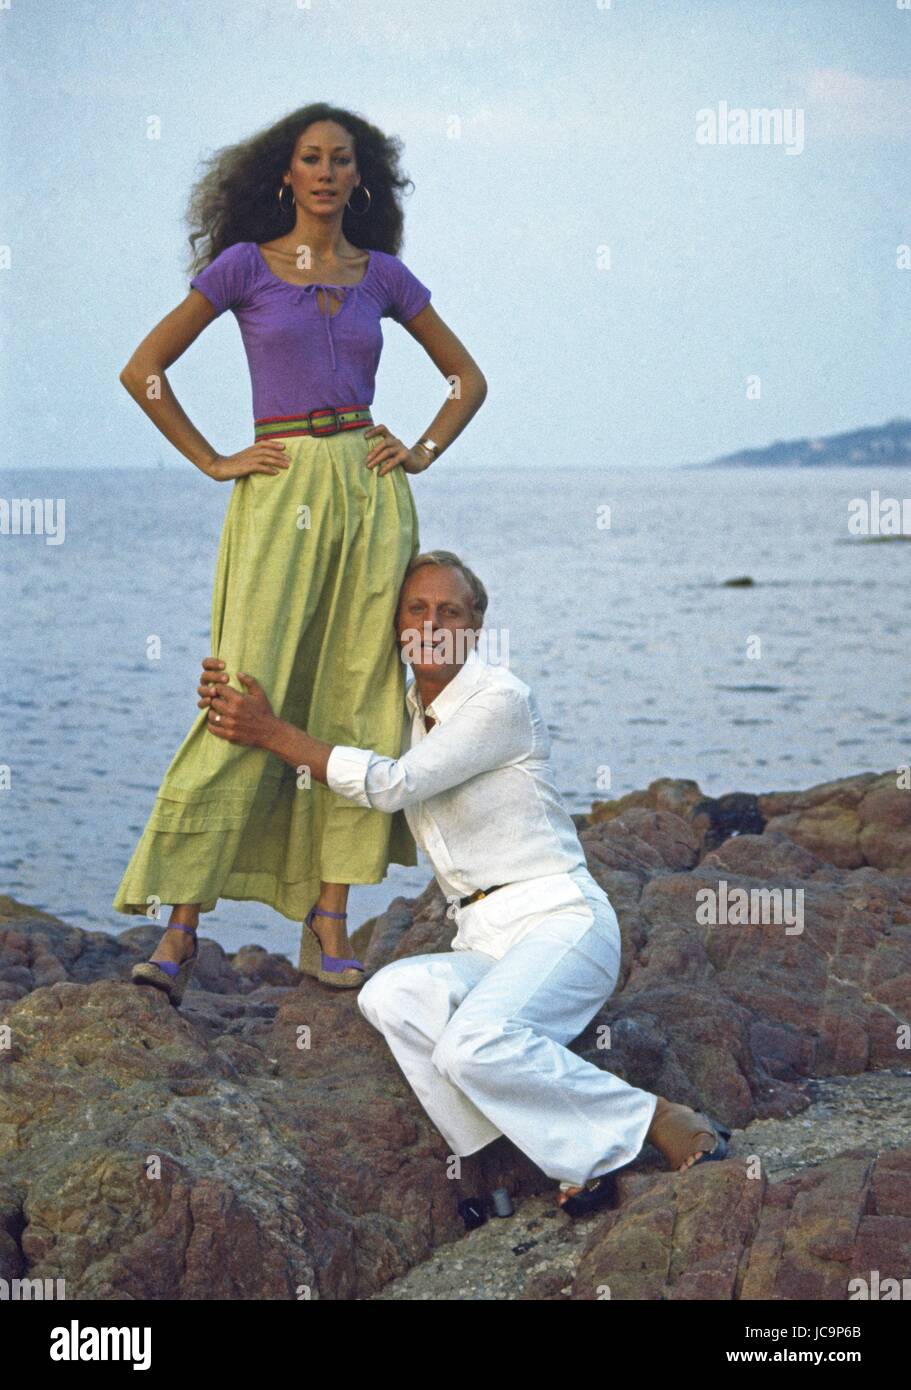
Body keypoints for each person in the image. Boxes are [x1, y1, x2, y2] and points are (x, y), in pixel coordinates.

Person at [191, 550, 732, 1215]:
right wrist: (233, 686)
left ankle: (655, 1119)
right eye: (415, 609)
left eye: (450, 610)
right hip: (481, 937)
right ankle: (501, 1157)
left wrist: (269, 733)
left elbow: (394, 785)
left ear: (476, 625)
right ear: (395, 624)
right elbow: (326, 674)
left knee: (474, 1043)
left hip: (560, 922)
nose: (431, 623)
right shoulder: (406, 704)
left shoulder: (501, 699)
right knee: (390, 996)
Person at [115, 102, 487, 1000]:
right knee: (245, 687)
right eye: (310, 158)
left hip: (368, 485)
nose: (325, 172)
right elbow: (144, 369)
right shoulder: (245, 267)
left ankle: (328, 921)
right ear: (286, 175)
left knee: (360, 693)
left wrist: (422, 450)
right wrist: (213, 460)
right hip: (279, 485)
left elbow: (466, 380)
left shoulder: (383, 276)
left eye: (341, 160)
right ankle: (182, 923)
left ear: (361, 179)